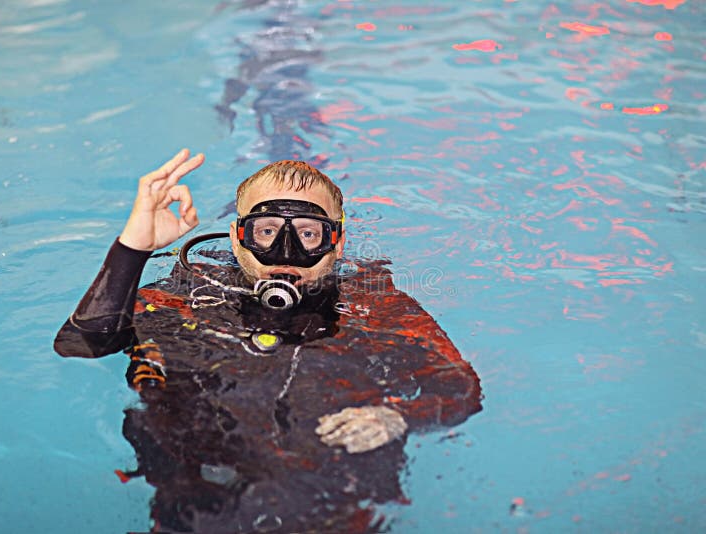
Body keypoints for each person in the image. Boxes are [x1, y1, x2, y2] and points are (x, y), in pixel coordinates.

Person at [54, 148, 482, 533]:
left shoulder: (376, 309)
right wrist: (133, 248)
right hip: (199, 511)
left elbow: (460, 388)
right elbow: (81, 345)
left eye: (309, 234)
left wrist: (398, 416)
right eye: (267, 231)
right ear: (238, 237)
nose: (285, 253)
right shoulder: (186, 299)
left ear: (337, 243)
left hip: (330, 515)